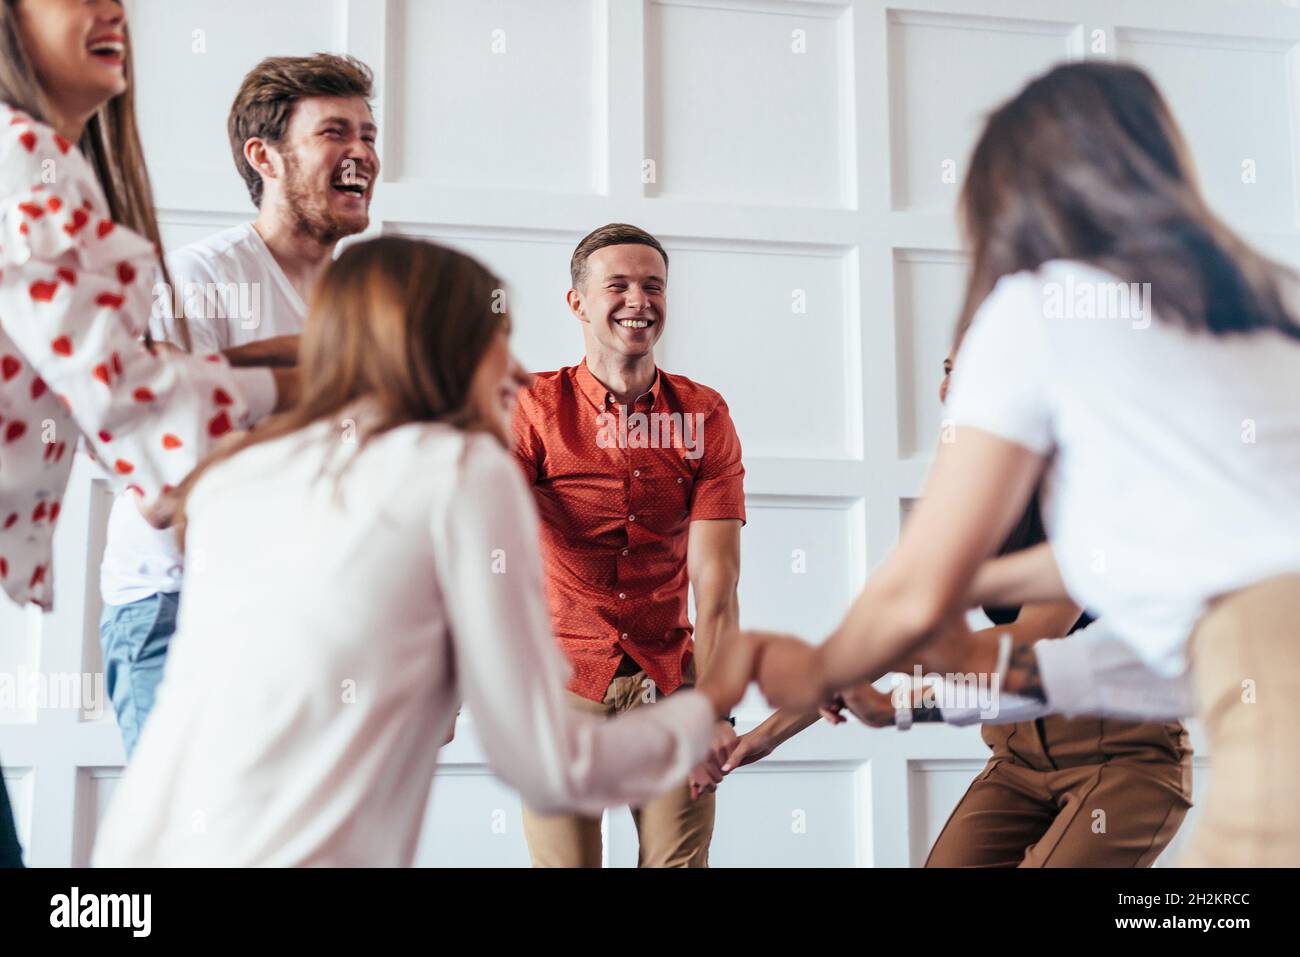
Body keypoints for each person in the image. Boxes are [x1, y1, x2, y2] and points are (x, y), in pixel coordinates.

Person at [755, 61, 1300, 866]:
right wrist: (957, 613)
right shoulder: (1267, 301)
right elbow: (1144, 596)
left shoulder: (1041, 305)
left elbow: (915, 592)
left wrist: (807, 668)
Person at [91, 237, 761, 867]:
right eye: (492, 341)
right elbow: (545, 760)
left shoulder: (244, 470)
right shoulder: (463, 472)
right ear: (437, 354)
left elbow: (159, 472)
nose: (519, 369)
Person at [0, 0, 288, 864]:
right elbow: (143, 421)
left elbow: (131, 377)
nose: (111, 9)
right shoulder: (23, 166)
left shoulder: (53, 172)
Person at [97, 52, 378, 758]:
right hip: (178, 611)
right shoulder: (201, 278)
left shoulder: (366, 303)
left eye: (370, 136)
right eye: (335, 133)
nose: (362, 155)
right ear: (266, 156)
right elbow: (175, 474)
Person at [511, 223, 748, 867]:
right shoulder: (530, 409)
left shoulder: (703, 415)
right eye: (617, 285)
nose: (638, 301)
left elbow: (717, 584)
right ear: (578, 303)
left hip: (670, 683)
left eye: (653, 286)